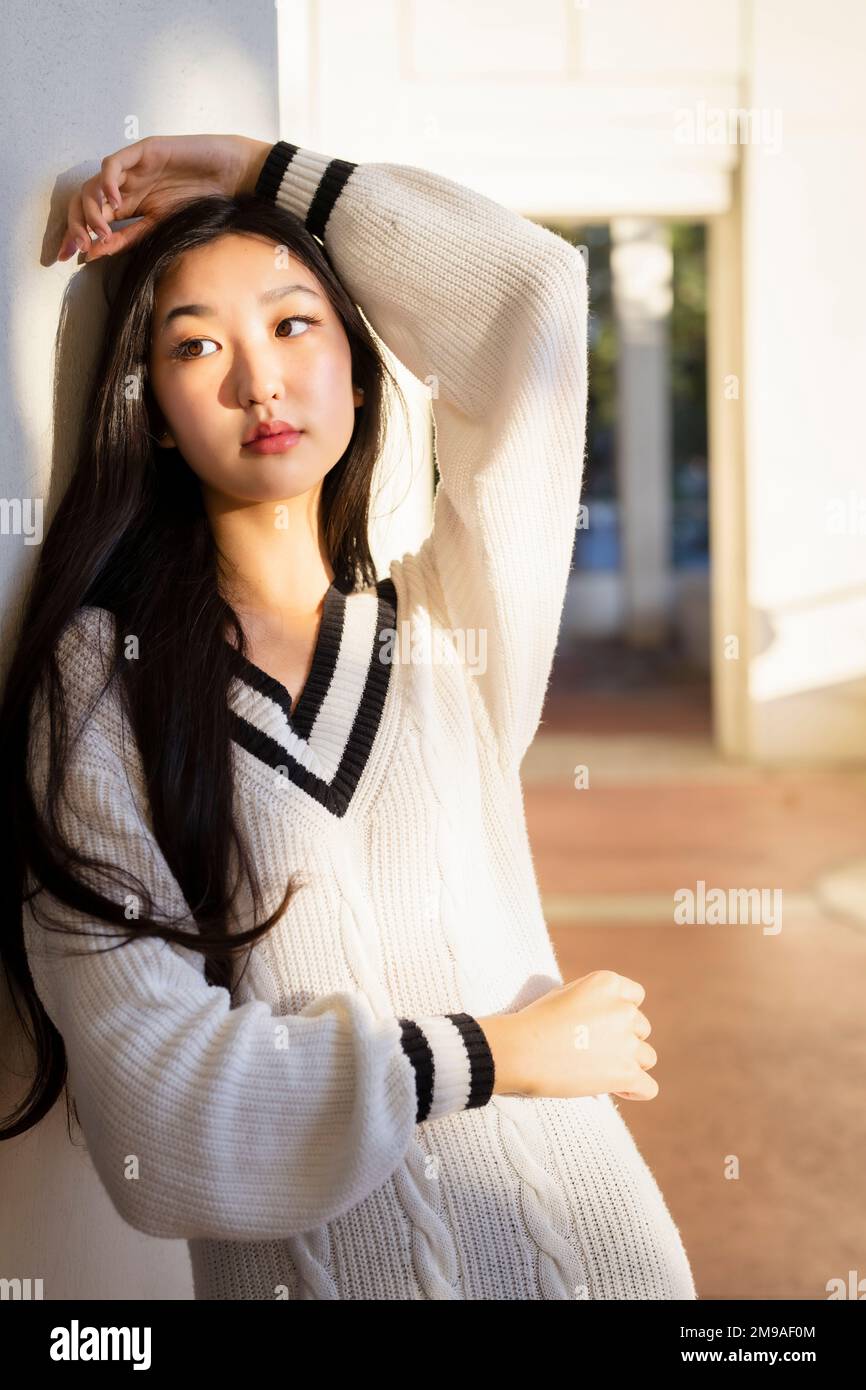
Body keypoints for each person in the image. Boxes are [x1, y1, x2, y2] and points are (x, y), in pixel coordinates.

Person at [0, 134, 697, 1300]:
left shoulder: (446, 626)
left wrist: (263, 169)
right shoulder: (99, 680)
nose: (257, 381)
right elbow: (154, 1114)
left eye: (291, 324)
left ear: (360, 371)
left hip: (602, 1263)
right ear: (158, 413)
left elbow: (528, 298)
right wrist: (490, 1055)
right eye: (197, 345)